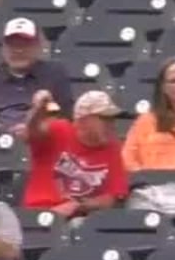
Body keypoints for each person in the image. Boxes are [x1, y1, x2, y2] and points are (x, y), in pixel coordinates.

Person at [23, 89, 129, 217]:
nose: (111, 125)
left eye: (112, 119)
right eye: (104, 119)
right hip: (40, 212)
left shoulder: (112, 147)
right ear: (83, 120)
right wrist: (38, 110)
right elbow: (31, 134)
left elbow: (112, 197)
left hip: (80, 217)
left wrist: (79, 206)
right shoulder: (60, 130)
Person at [0, 18, 74, 132]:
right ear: (3, 48)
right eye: (12, 45)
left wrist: (33, 129)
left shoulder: (54, 73)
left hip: (39, 138)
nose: (18, 50)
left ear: (38, 47)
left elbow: (66, 120)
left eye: (25, 45)